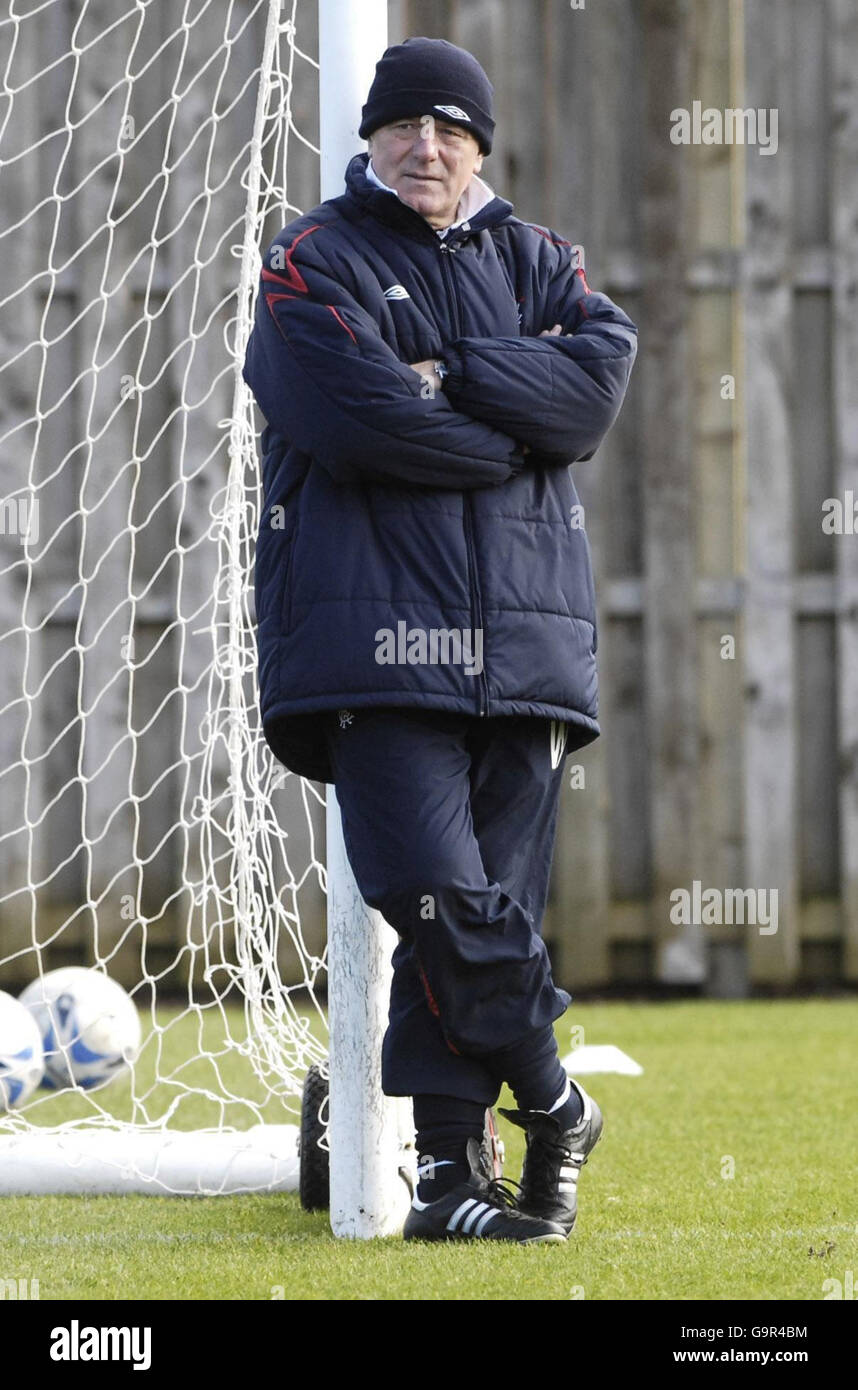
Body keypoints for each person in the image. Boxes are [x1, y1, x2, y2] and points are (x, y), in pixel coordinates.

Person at [243, 36, 638, 1243]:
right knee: (439, 898)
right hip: (374, 653)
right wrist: (512, 430)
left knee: (486, 915)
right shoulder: (310, 257)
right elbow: (353, 412)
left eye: (453, 128)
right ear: (371, 136)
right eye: (407, 124)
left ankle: (455, 1178)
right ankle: (558, 1103)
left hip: (527, 656)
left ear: (480, 145)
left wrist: (450, 368)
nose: (429, 144)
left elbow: (595, 383)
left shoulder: (542, 258)